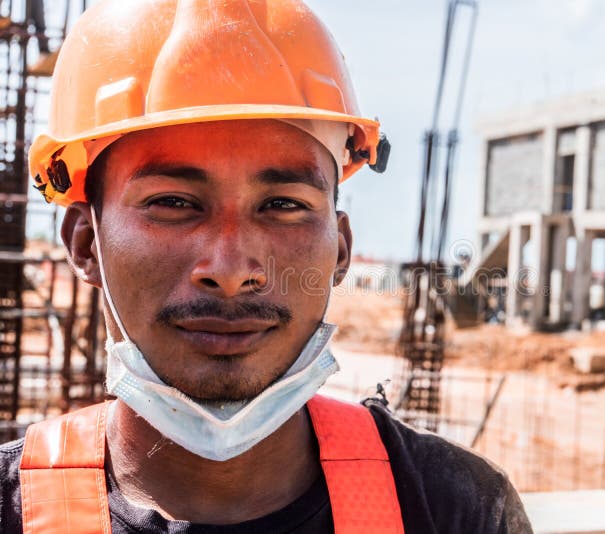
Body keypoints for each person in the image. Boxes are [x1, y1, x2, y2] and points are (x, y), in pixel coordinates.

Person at [0, 1, 534, 532]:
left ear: (341, 251)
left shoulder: (455, 509)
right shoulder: (14, 509)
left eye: (283, 205)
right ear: (85, 242)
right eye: (174, 202)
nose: (231, 270)